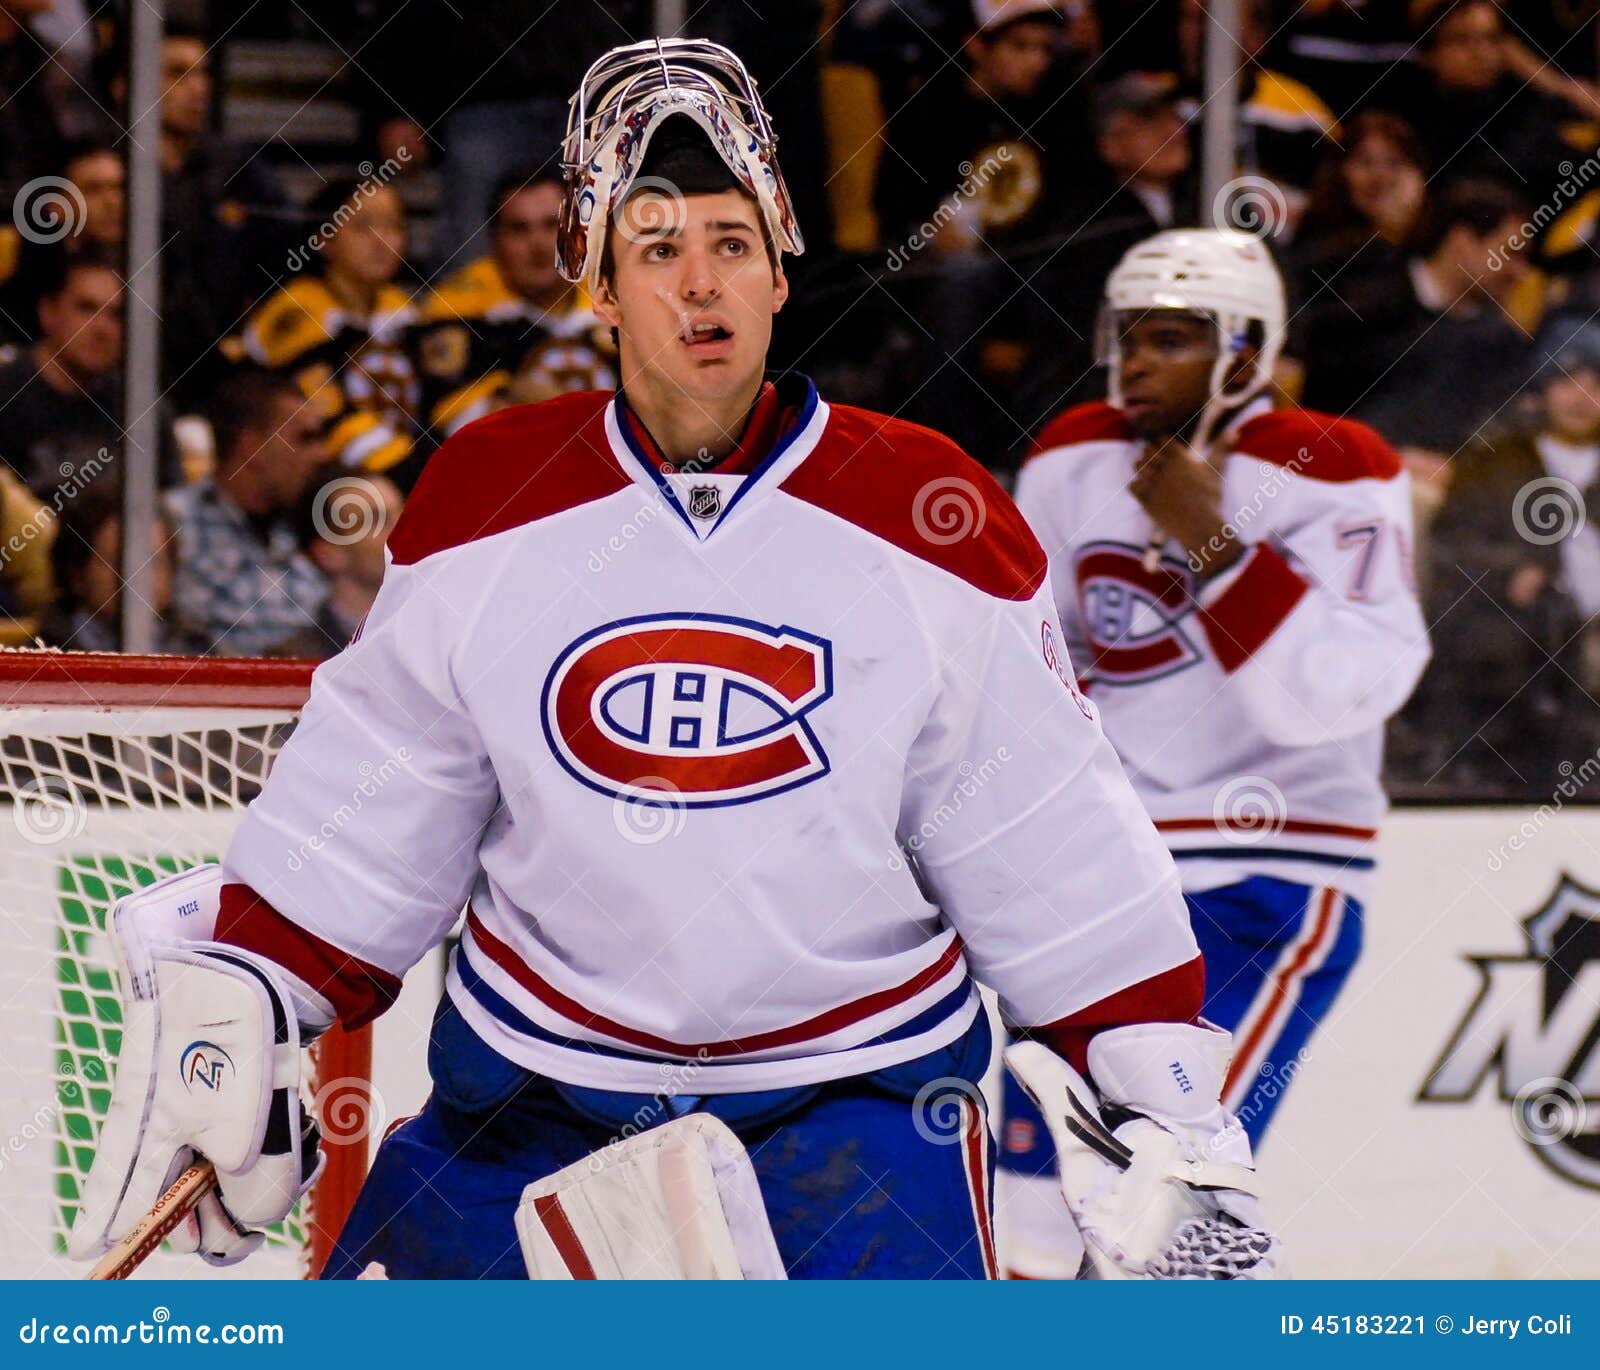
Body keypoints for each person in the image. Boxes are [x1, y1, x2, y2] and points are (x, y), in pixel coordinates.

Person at [70, 39, 1277, 1283]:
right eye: (658, 249)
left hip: (854, 1104)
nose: (700, 285)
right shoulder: (489, 492)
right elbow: (386, 783)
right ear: (594, 282)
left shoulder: (926, 506)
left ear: (779, 273)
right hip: (528, 1095)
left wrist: (1160, 1084)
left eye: (732, 244)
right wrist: (261, 988)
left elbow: (1038, 818)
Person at [1004, 229, 1428, 1278]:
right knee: (1026, 1196)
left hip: (1271, 876)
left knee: (1166, 1188)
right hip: (1104, 883)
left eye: (1169, 338)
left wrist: (1217, 546)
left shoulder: (1332, 464)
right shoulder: (1070, 457)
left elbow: (1333, 693)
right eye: (1126, 336)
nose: (1134, 361)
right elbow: (1021, 661)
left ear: (1244, 350)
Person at [1403, 315, 1600, 796]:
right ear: (1543, 384)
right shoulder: (1496, 462)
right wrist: (1514, 571)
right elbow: (1453, 545)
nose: (1581, 395)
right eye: (1568, 378)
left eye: (1596, 382)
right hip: (1517, 629)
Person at [225, 180, 420, 484]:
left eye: (394, 227)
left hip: (396, 465)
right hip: (314, 472)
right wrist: (410, 469)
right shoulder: (295, 308)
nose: (382, 242)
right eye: (363, 227)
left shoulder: (404, 310)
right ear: (324, 239)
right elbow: (326, 412)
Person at [414, 171, 614, 441]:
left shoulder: (615, 292)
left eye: (552, 225)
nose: (539, 245)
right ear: (495, 241)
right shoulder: (455, 309)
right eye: (520, 229)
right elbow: (451, 426)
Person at [163, 366, 331, 657]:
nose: (322, 454)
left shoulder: (313, 522)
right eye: (304, 438)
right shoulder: (172, 521)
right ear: (252, 448)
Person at [0, 250, 179, 498]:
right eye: (86, 308)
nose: (102, 328)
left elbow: (167, 515)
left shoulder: (144, 410)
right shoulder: (6, 393)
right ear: (48, 312)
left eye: (117, 315)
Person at [35, 476, 178, 654]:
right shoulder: (43, 659)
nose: (139, 579)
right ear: (76, 575)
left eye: (155, 563)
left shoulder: (195, 649)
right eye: (118, 563)